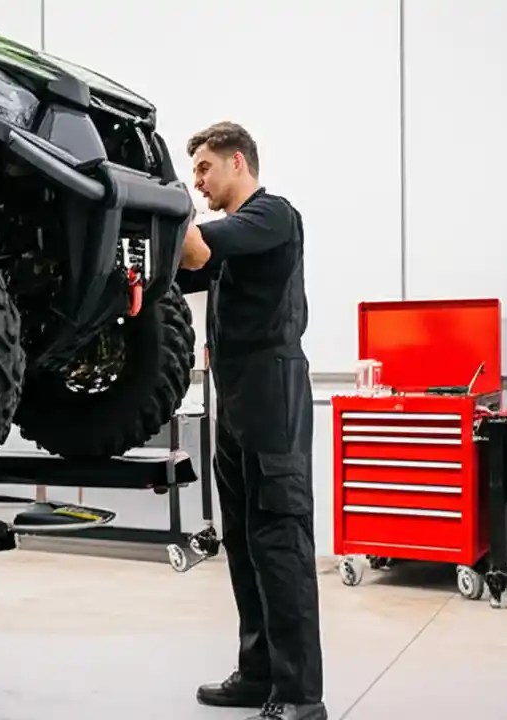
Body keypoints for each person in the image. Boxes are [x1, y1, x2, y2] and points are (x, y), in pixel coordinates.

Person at [175, 121, 325, 720]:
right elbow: (180, 270)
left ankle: (299, 695)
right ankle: (259, 674)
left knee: (280, 539)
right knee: (242, 538)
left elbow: (192, 246)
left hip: (272, 388)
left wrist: (164, 203)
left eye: (205, 170)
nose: (200, 183)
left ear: (238, 162)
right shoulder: (231, 243)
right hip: (233, 392)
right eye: (192, 177)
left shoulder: (272, 217)